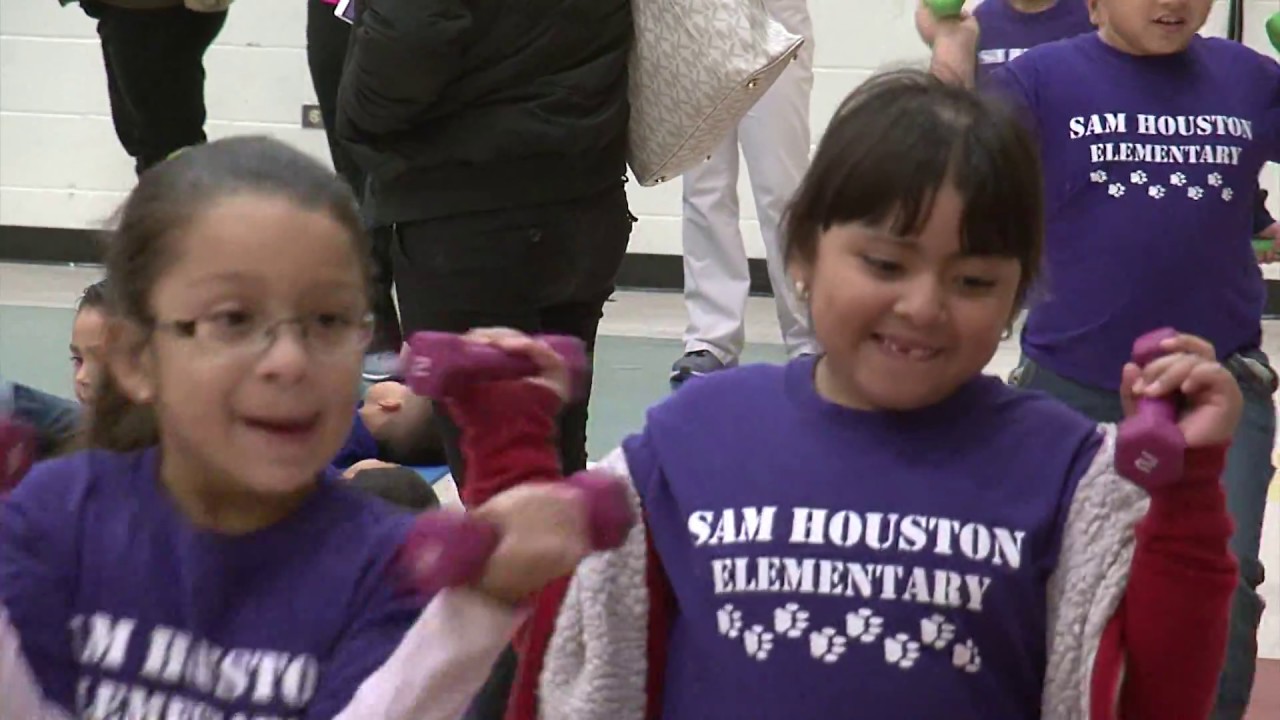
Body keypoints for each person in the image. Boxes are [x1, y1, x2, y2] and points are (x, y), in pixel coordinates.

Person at [452, 71, 1240, 720]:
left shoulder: (1065, 469)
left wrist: (1190, 498)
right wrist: (508, 441)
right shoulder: (693, 439)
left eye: (972, 281)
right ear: (802, 253)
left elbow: (1157, 699)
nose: (925, 306)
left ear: (1018, 296)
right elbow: (570, 634)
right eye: (887, 264)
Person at [0, 136, 610, 718]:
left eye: (328, 320)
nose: (290, 360)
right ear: (136, 359)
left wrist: (478, 608)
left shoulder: (383, 564)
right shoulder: (59, 517)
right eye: (234, 319)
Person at [921, 3, 1279, 717]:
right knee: (1054, 577)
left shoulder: (1246, 79)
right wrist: (953, 55)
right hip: (1070, 388)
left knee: (1225, 578)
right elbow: (945, 166)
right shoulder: (1040, 81)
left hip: (1219, 391)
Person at [335, 0, 634, 484]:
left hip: (470, 208)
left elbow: (410, 35)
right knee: (555, 456)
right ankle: (569, 559)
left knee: (499, 480)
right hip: (582, 192)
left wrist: (357, 119)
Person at [671, 0, 818, 388]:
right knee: (703, 187)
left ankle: (809, 339)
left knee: (781, 188)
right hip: (695, 21)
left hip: (773, 17)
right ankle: (710, 338)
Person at [304, 0, 403, 381]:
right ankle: (374, 316)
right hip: (339, 12)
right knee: (353, 169)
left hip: (441, 14)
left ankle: (431, 321)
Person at [60, 0, 228, 175]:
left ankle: (176, 197)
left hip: (154, 13)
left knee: (168, 145)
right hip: (137, 13)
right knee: (150, 139)